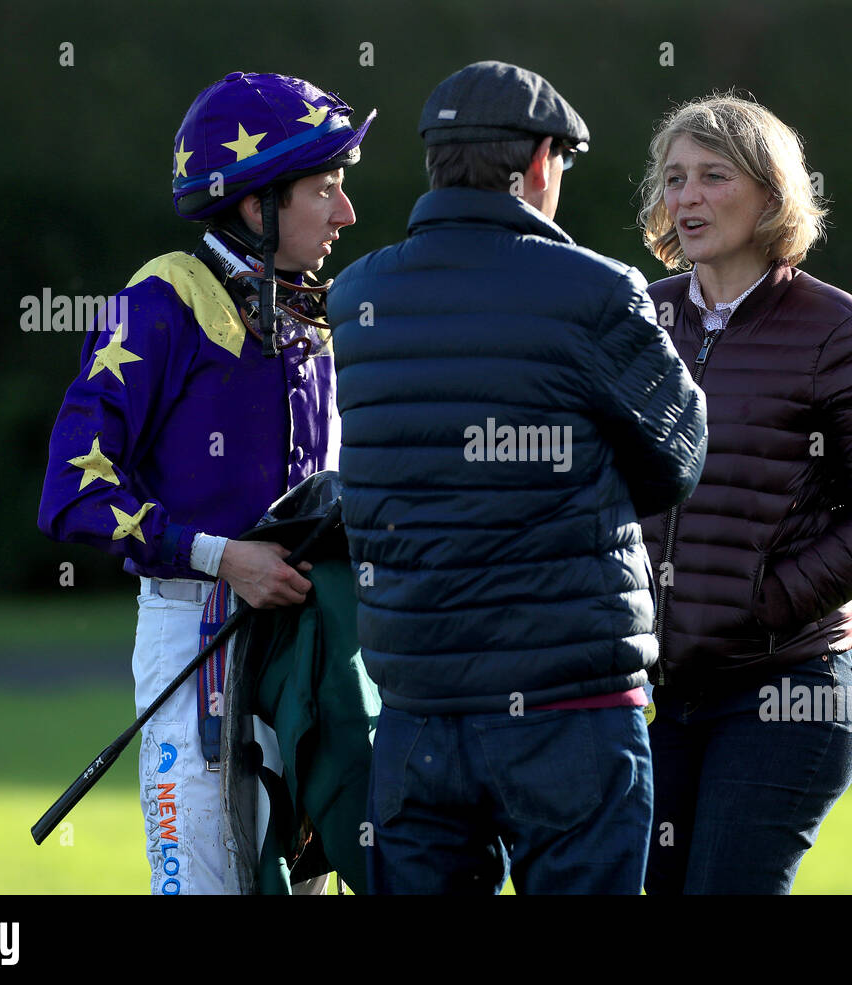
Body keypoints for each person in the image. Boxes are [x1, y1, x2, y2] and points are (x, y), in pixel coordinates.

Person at [327, 60, 707, 895]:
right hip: (570, 708)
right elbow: (678, 458)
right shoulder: (598, 290)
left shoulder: (356, 297)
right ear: (541, 161)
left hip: (417, 708)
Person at [37, 71, 373, 894]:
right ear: (257, 207)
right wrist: (224, 557)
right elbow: (70, 493)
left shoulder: (319, 321)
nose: (346, 213)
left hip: (311, 653)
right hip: (194, 647)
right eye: (324, 189)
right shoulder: (158, 304)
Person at [636, 92, 852, 894]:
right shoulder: (639, 321)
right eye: (674, 178)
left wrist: (765, 602)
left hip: (787, 690)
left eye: (713, 176)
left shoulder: (838, 328)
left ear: (771, 192)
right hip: (654, 694)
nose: (687, 197)